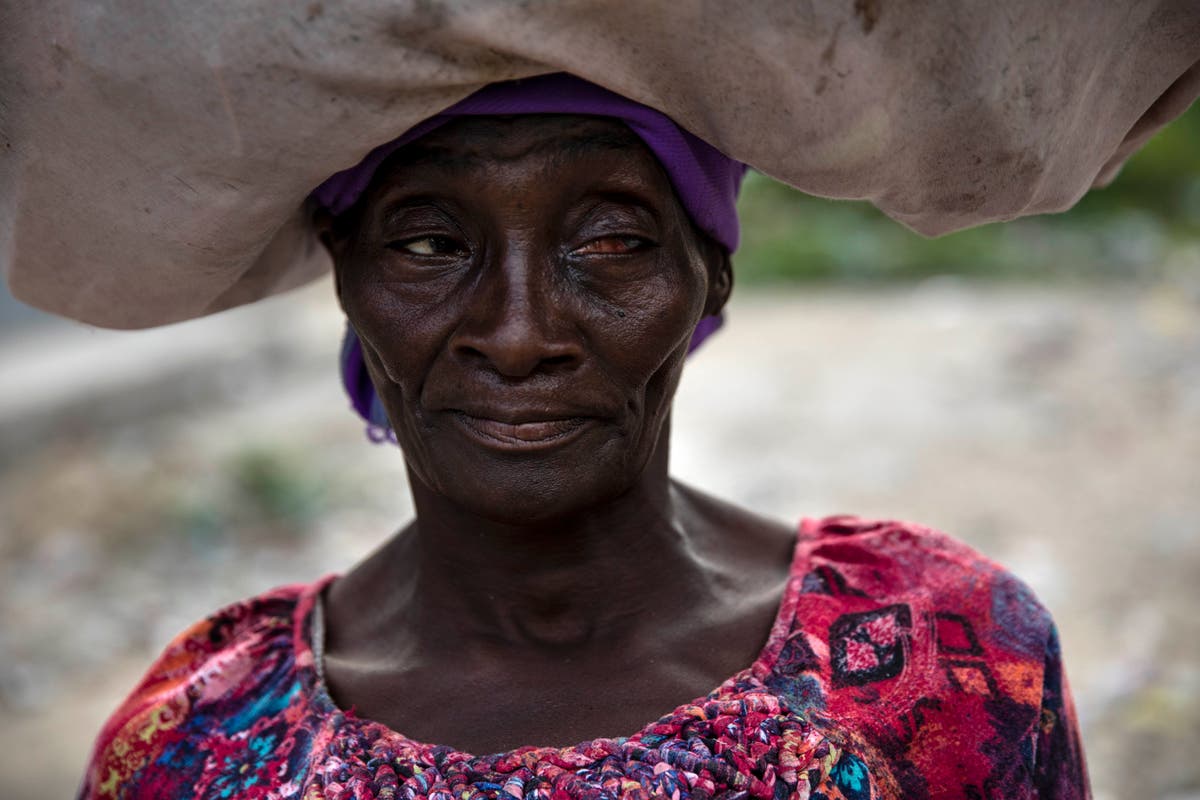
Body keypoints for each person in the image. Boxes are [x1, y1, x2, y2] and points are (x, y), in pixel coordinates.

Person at [75, 75, 1089, 800]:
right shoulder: (195, 744)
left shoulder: (948, 656)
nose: (518, 334)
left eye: (610, 242)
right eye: (430, 244)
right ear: (347, 275)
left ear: (710, 275)